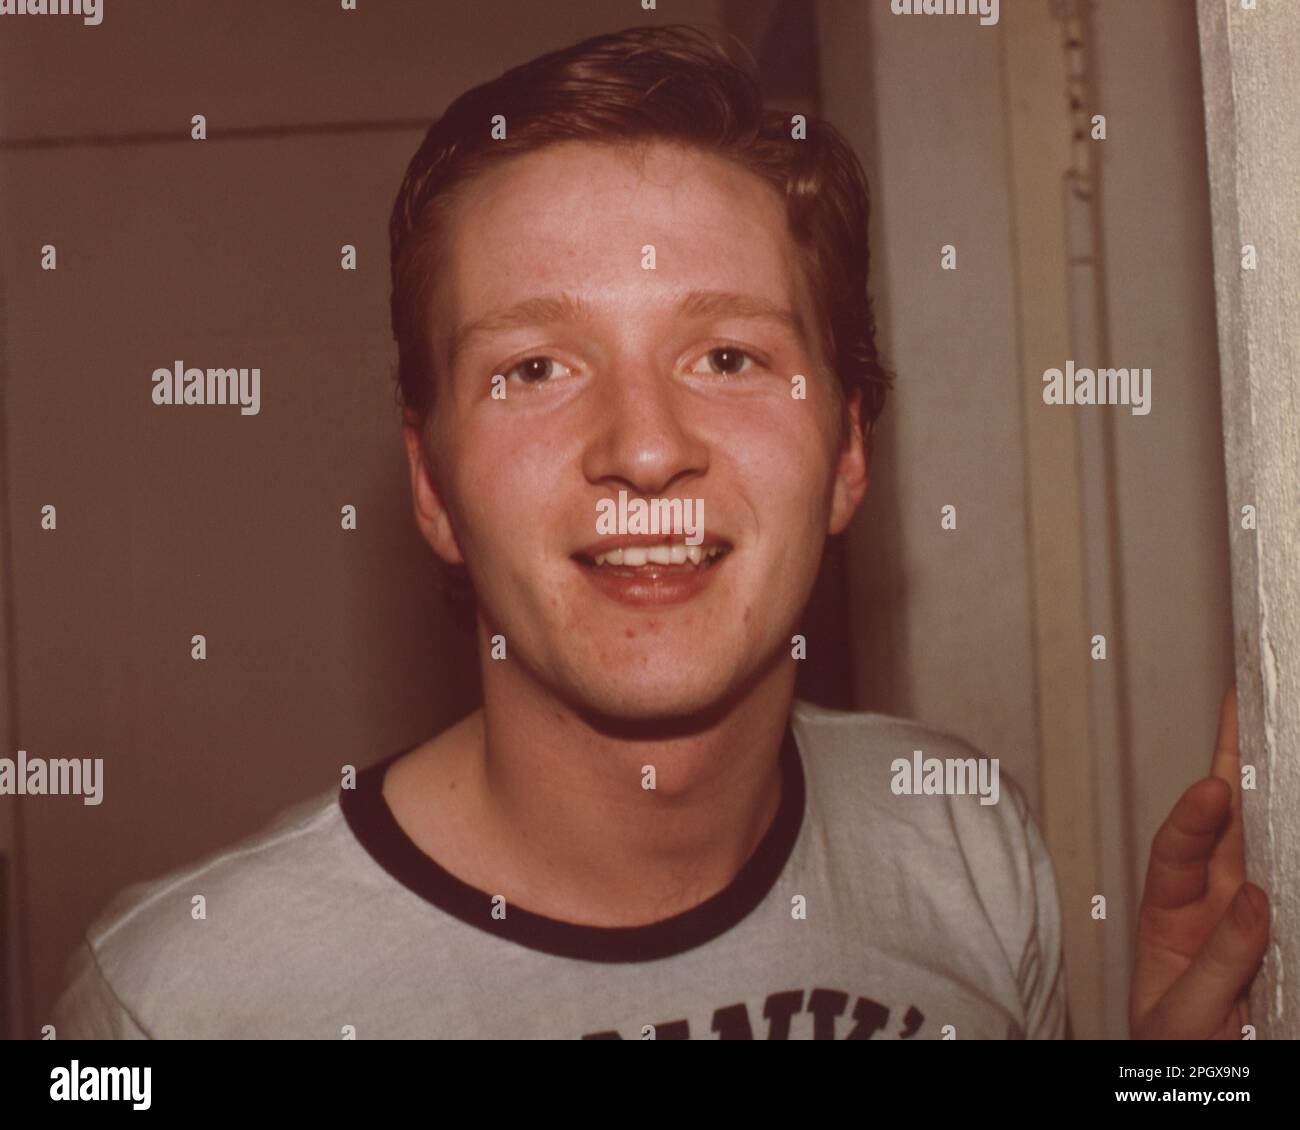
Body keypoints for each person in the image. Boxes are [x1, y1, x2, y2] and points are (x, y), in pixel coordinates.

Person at [51, 24, 1267, 1040]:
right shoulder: (180, 1002)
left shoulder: (966, 845)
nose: (642, 446)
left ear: (849, 451)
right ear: (432, 484)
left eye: (727, 355)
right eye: (534, 367)